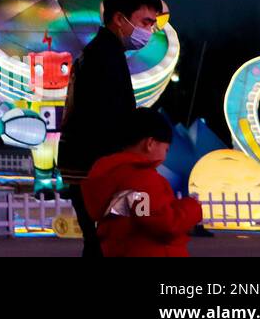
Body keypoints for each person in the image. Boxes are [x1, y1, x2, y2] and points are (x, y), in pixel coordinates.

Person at [57, 0, 163, 256]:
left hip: (85, 166)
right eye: (146, 22)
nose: (149, 30)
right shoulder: (105, 58)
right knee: (107, 246)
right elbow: (108, 118)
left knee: (100, 246)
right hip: (96, 169)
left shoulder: (102, 53)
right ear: (119, 18)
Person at [82, 107, 203, 256]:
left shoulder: (112, 175)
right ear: (150, 143)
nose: (164, 157)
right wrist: (192, 207)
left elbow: (143, 214)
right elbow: (163, 224)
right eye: (166, 149)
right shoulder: (141, 179)